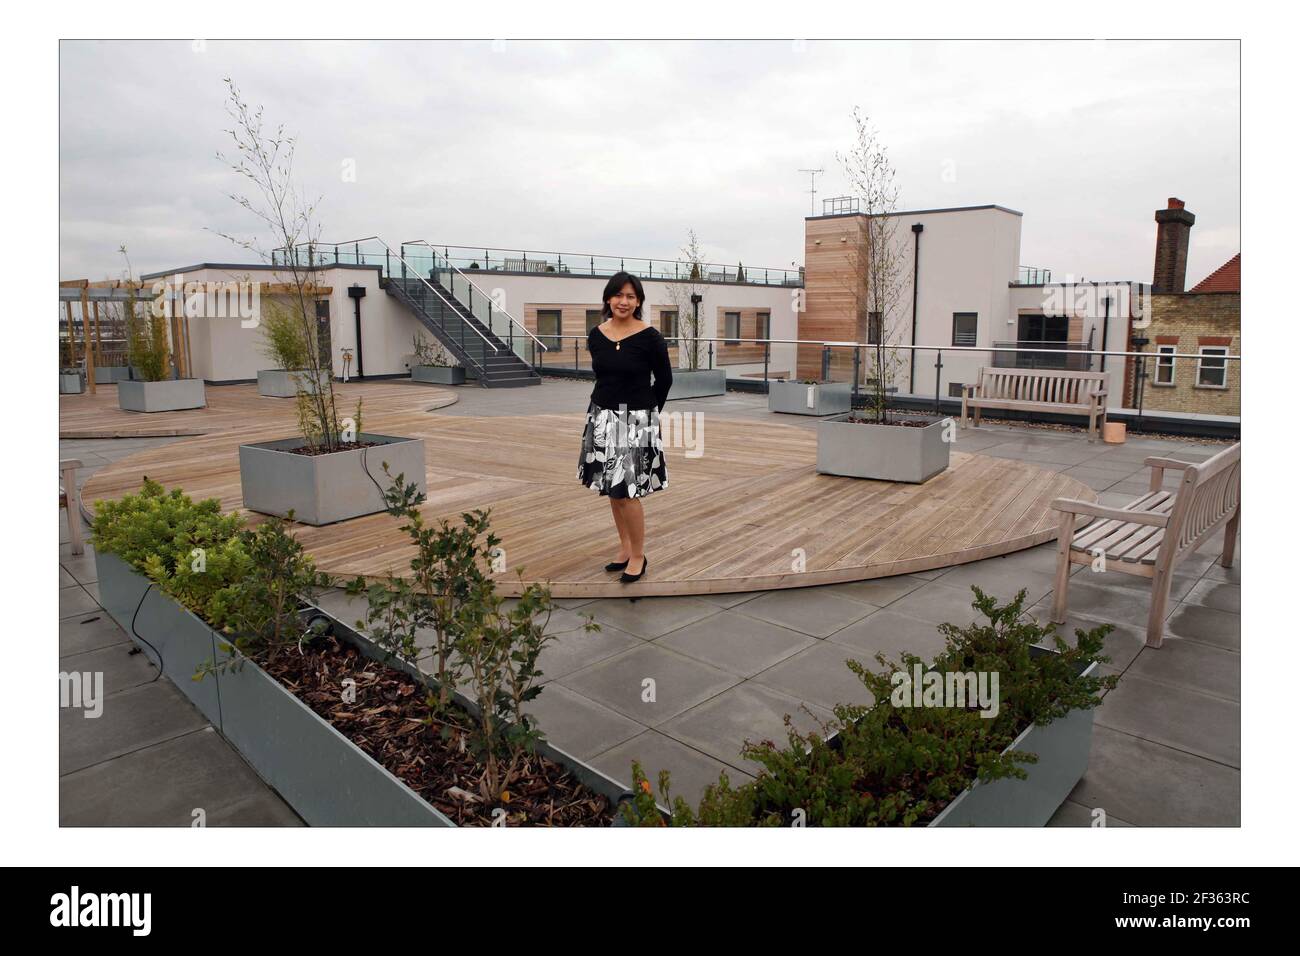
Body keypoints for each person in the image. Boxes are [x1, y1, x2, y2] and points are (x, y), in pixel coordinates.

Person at [576, 271, 673, 583]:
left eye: (631, 296)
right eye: (619, 295)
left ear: (639, 301)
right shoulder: (596, 334)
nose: (624, 301)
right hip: (602, 417)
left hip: (636, 420)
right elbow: (603, 377)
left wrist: (647, 415)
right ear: (608, 298)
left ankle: (639, 555)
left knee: (628, 492)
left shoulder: (650, 337)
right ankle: (625, 546)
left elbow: (665, 380)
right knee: (612, 492)